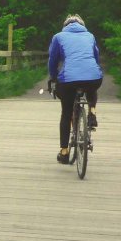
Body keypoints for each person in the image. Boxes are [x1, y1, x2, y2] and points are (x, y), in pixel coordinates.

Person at [47, 14, 103, 164]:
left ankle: (64, 152)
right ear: (82, 25)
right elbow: (96, 58)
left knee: (66, 112)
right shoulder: (90, 35)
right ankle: (92, 111)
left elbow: (53, 60)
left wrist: (53, 78)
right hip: (94, 77)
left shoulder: (58, 37)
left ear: (65, 25)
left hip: (68, 81)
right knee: (91, 86)